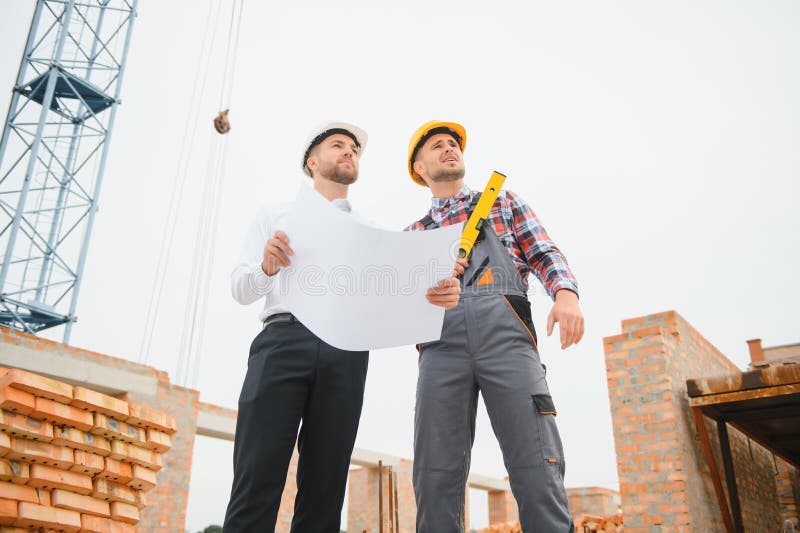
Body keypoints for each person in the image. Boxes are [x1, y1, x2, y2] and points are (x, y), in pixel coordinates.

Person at [223, 122, 460, 533]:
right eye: (338, 145)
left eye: (354, 148)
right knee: (257, 471)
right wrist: (267, 267)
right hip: (283, 341)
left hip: (346, 353)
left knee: (326, 482)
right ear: (312, 162)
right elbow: (241, 290)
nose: (350, 151)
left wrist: (440, 294)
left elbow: (399, 294)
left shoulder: (371, 230)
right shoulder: (275, 216)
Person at [404, 120, 584, 533]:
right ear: (419, 168)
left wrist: (566, 294)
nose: (450, 149)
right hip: (440, 353)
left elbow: (543, 252)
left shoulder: (503, 203)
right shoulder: (412, 237)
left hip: (509, 345)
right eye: (437, 146)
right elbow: (393, 310)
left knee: (537, 466)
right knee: (435, 476)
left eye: (454, 144)